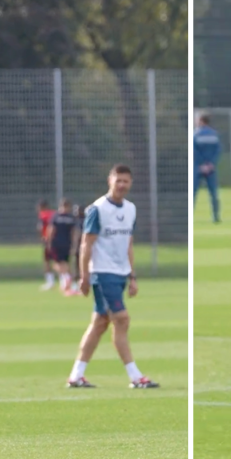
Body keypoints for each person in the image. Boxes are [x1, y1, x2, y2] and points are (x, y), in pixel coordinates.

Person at [67, 164, 158, 389]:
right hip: (102, 273)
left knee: (100, 323)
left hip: (120, 273)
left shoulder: (130, 209)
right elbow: (86, 244)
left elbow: (128, 243)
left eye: (126, 181)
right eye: (118, 180)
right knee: (122, 319)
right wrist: (84, 276)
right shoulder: (97, 209)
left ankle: (76, 375)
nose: (122, 185)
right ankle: (135, 376)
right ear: (110, 181)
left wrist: (132, 276)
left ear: (131, 183)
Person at [193, 112, 222, 224]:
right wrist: (211, 164)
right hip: (211, 168)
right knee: (213, 193)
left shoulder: (196, 134)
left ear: (200, 121)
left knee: (193, 193)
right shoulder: (214, 134)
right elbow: (218, 151)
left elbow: (194, 151)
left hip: (198, 167)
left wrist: (201, 165)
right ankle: (216, 217)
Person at [48, 198, 80, 294]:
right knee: (65, 263)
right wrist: (74, 244)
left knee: (57, 264)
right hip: (67, 243)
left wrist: (49, 242)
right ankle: (68, 282)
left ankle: (67, 278)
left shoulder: (56, 216)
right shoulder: (71, 218)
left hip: (57, 243)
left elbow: (51, 230)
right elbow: (75, 233)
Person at [37, 200, 56, 290]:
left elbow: (40, 227)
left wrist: (42, 236)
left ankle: (50, 282)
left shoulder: (43, 215)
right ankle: (65, 281)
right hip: (58, 240)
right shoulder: (54, 214)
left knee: (47, 261)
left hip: (47, 239)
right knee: (60, 260)